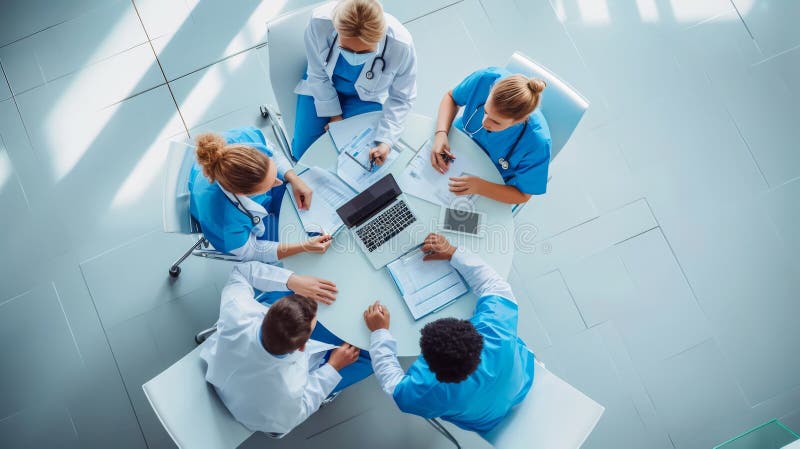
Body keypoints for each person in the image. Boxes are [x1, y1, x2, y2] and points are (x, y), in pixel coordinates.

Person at [362, 233, 535, 434]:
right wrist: (453, 252)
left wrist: (379, 333)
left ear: (428, 364)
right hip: (522, 381)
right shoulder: (496, 328)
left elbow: (392, 382)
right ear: (473, 333)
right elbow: (495, 286)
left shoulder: (426, 392)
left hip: (486, 421)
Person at [201, 261, 373, 435]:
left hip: (220, 372)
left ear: (269, 311)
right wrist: (333, 367)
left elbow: (241, 271)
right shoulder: (291, 388)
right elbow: (298, 413)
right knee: (368, 358)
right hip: (253, 413)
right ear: (302, 347)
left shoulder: (237, 313)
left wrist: (291, 280)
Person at [292, 0, 417, 162]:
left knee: (360, 154)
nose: (354, 57)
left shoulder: (401, 44)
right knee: (303, 154)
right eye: (346, 48)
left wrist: (386, 140)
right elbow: (317, 73)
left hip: (365, 98)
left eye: (365, 51)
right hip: (321, 85)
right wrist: (335, 116)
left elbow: (402, 98)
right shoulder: (320, 22)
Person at [189, 127, 332, 264]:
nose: (279, 182)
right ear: (244, 194)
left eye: (274, 174)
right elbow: (250, 251)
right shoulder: (224, 221)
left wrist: (294, 178)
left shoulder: (243, 140)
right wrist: (303, 247)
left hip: (251, 193)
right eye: (270, 184)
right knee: (296, 240)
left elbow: (273, 153)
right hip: (239, 223)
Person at [430, 67, 551, 204]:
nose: (484, 122)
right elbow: (452, 97)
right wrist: (441, 133)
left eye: (496, 122)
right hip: (456, 144)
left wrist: (479, 187)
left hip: (489, 180)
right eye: (485, 111)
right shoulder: (485, 79)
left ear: (519, 121)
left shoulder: (537, 143)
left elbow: (523, 195)